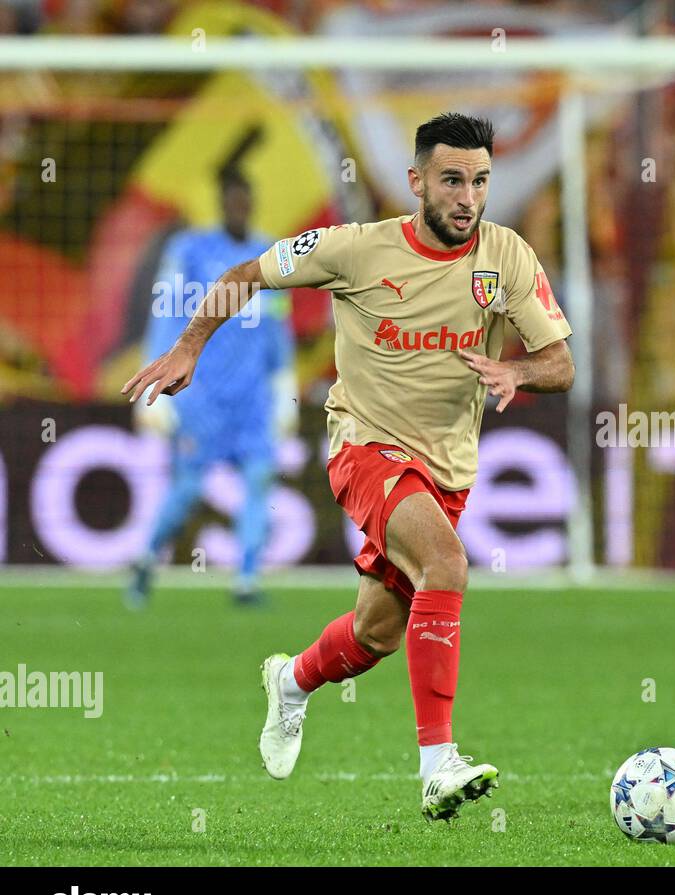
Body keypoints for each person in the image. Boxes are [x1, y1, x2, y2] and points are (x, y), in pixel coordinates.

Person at [122, 113, 575, 821]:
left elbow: (562, 363)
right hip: (364, 446)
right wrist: (189, 349)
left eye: (480, 181)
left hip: (447, 468)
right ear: (416, 181)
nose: (467, 197)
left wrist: (518, 371)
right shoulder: (355, 250)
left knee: (377, 633)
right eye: (452, 180)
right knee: (448, 567)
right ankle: (436, 767)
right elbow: (247, 273)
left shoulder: (506, 256)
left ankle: (292, 682)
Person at [126, 168, 295, 608]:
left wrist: (284, 384)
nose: (238, 208)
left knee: (259, 480)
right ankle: (146, 559)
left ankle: (246, 580)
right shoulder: (190, 252)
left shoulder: (270, 254)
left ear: (251, 203)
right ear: (222, 203)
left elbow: (278, 325)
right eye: (232, 201)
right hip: (201, 396)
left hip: (253, 398)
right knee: (187, 489)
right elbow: (164, 316)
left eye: (245, 201)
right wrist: (155, 384)